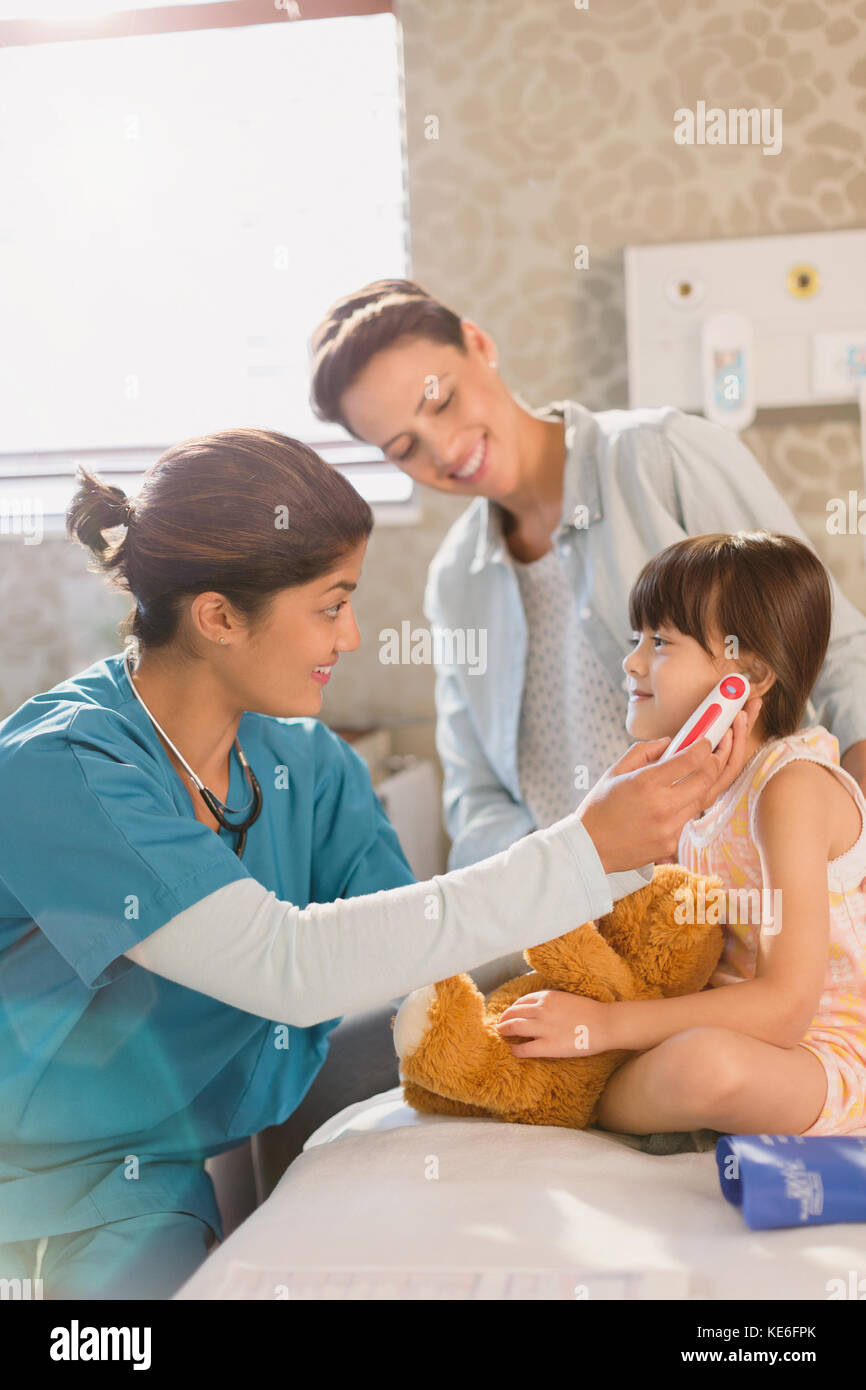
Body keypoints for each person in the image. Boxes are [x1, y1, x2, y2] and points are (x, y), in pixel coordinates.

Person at [0, 428, 755, 1300]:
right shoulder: (65, 772)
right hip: (33, 1194)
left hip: (151, 1179)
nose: (352, 636)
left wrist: (624, 909)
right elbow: (289, 966)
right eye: (331, 605)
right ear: (217, 618)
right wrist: (583, 850)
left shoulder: (303, 766)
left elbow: (417, 952)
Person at [309, 279, 866, 870]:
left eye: (442, 402)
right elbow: (476, 798)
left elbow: (838, 656)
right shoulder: (456, 581)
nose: (443, 449)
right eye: (403, 448)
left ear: (478, 343)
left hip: (739, 893)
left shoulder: (663, 457)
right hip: (580, 927)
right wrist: (556, 887)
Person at [496, 531, 866, 1140]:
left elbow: (783, 1009)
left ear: (745, 676)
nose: (632, 660)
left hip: (822, 1055)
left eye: (660, 641)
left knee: (704, 1067)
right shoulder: (695, 794)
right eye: (636, 637)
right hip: (723, 1031)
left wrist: (606, 1026)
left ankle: (575, 1096)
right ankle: (572, 1082)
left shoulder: (790, 788)